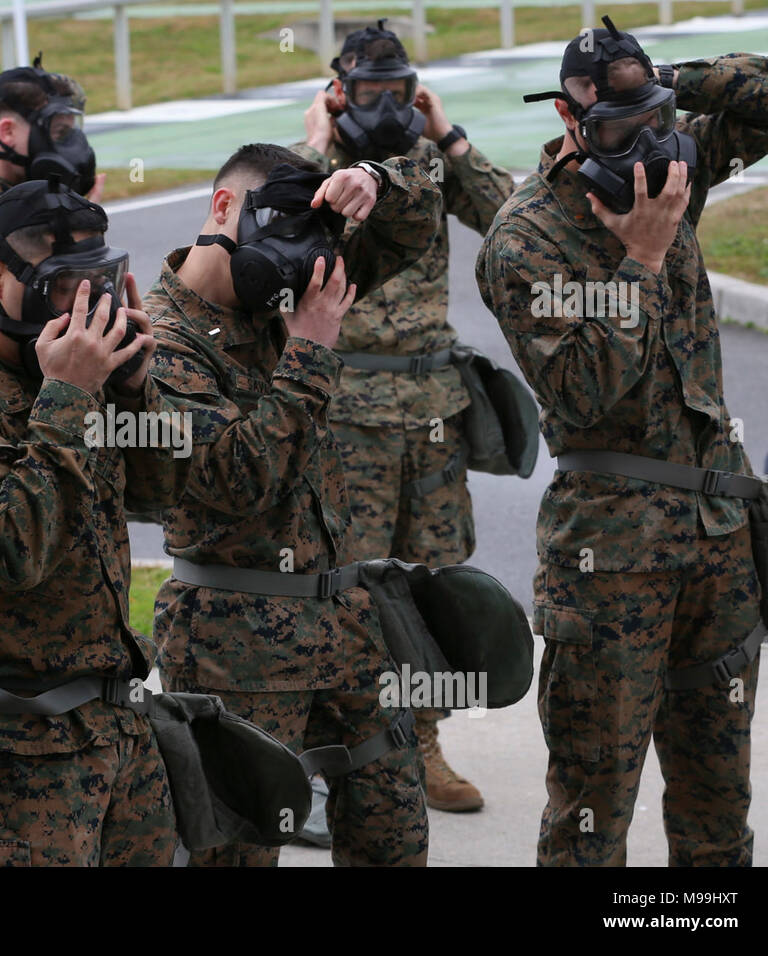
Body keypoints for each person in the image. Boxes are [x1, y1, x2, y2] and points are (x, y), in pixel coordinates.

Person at [476, 17, 768, 865]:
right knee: (591, 803)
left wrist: (675, 79)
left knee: (719, 800)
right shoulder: (525, 237)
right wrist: (640, 263)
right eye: (620, 130)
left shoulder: (674, 167)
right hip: (609, 559)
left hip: (718, 545)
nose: (645, 146)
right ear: (572, 122)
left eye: (654, 120)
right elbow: (579, 389)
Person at [145, 142, 441, 866]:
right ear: (224, 209)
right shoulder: (158, 340)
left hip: (344, 625)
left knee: (394, 836)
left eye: (312, 235)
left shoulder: (294, 293)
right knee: (239, 851)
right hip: (233, 646)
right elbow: (235, 480)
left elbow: (416, 224)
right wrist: (310, 352)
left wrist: (373, 178)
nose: (299, 256)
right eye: (281, 229)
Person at [0, 180, 186, 866]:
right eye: (63, 286)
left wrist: (136, 390)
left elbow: (163, 496)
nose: (84, 307)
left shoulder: (78, 365)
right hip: (12, 751)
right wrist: (69, 397)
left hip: (117, 727)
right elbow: (14, 552)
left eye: (98, 283)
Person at [292, 20, 516, 813]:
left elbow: (512, 221)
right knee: (349, 588)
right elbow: (280, 231)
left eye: (398, 91)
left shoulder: (424, 162)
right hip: (347, 414)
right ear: (336, 90)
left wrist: (448, 135)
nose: (382, 106)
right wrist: (319, 145)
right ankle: (341, 748)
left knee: (432, 583)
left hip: (432, 411)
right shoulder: (318, 167)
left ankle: (422, 743)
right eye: (365, 92)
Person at [0, 57, 102, 314]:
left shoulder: (21, 190)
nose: (70, 147)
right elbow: (25, 312)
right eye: (59, 133)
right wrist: (83, 233)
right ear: (8, 132)